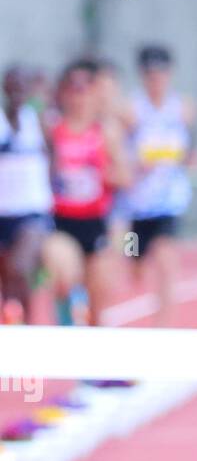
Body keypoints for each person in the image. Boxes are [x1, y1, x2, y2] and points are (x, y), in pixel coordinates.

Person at [43, 59, 129, 326]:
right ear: (64, 93)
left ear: (93, 93)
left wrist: (100, 173)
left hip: (96, 224)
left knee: (99, 303)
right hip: (61, 222)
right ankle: (66, 328)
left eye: (85, 89)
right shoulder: (52, 130)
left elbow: (125, 178)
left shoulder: (106, 132)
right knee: (65, 278)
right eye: (73, 89)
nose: (78, 97)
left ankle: (95, 360)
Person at [125, 45, 196, 323]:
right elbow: (118, 150)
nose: (156, 80)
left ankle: (164, 329)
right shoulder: (131, 110)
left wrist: (188, 158)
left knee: (166, 261)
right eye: (150, 75)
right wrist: (133, 165)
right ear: (142, 76)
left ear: (169, 74)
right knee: (136, 268)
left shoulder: (183, 109)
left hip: (169, 200)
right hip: (139, 203)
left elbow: (191, 149)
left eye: (161, 74)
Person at [0, 65, 53, 324]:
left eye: (22, 84)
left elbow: (55, 158)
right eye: (12, 84)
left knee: (19, 268)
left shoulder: (38, 120)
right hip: (3, 212)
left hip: (32, 212)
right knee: (7, 280)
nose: (17, 90)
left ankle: (30, 327)